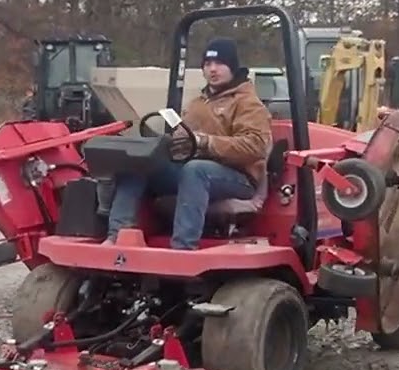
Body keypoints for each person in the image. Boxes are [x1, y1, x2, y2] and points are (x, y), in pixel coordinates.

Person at [105, 37, 273, 250]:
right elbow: (186, 138)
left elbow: (255, 146)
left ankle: (183, 247)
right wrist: (170, 143)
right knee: (139, 163)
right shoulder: (198, 103)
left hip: (239, 177)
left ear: (232, 67)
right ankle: (116, 236)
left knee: (196, 170)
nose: (213, 69)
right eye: (207, 64)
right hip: (196, 168)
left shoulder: (247, 103)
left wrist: (205, 141)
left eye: (219, 64)